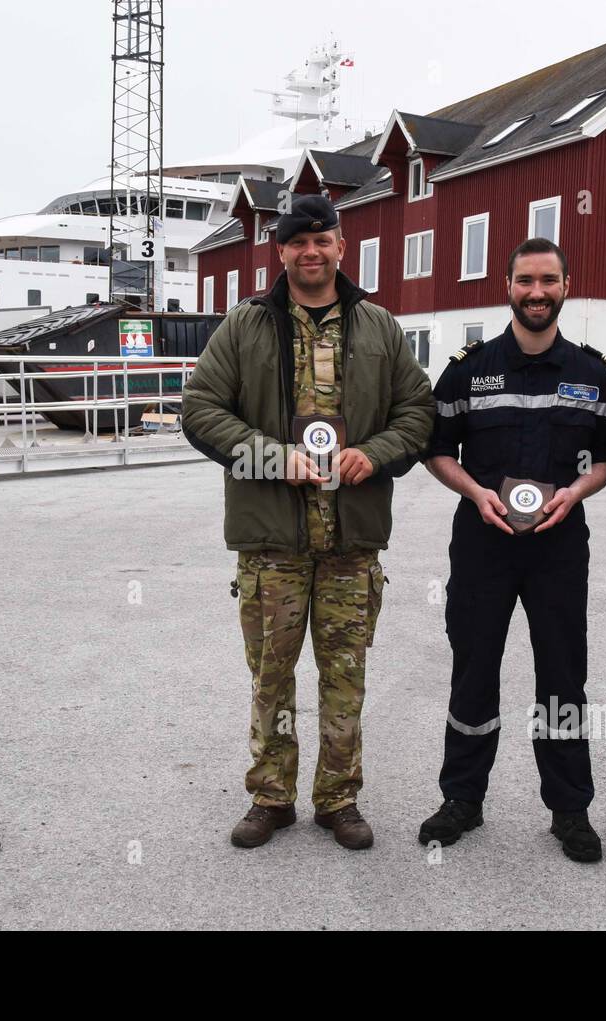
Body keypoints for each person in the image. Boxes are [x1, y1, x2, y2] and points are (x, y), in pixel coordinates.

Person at [182, 193, 434, 850]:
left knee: (345, 674)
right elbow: (202, 409)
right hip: (272, 545)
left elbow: (418, 413)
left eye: (323, 239)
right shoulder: (244, 327)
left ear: (341, 247)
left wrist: (372, 455)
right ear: (281, 250)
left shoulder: (380, 327)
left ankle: (338, 797)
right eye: (298, 241)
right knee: (272, 677)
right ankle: (271, 795)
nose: (311, 251)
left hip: (351, 543)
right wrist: (274, 457)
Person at [417, 237, 606, 863]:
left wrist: (578, 491)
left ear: (567, 285)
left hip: (560, 548)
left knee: (563, 675)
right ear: (507, 285)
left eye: (549, 280)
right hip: (483, 544)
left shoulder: (592, 372)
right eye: (526, 280)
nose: (537, 292)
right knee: (474, 669)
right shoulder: (468, 369)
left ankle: (569, 809)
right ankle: (462, 800)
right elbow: (436, 449)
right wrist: (476, 492)